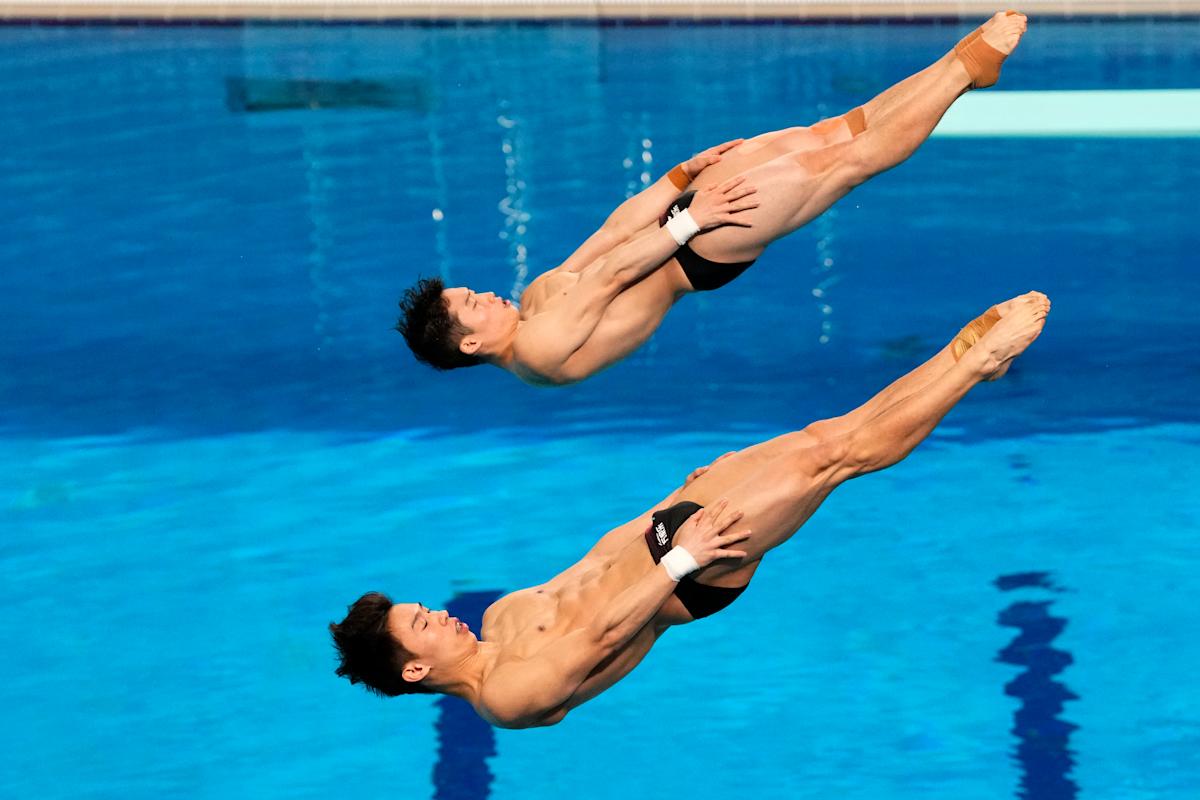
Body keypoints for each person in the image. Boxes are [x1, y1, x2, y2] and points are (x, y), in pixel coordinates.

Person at [332, 291, 1051, 728]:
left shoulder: (498, 622)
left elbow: (593, 564)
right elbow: (606, 632)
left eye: (425, 607)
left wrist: (672, 498)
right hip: (690, 575)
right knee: (838, 461)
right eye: (425, 624)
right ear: (417, 670)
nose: (442, 613)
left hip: (672, 528)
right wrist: (686, 554)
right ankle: (973, 365)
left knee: (821, 439)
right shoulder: (509, 697)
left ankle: (962, 361)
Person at [396, 12, 1029, 386]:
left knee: (837, 130)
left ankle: (956, 63)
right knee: (848, 164)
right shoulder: (536, 351)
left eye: (471, 290)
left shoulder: (535, 300)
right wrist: (694, 216)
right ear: (470, 344)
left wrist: (677, 178)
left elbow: (609, 238)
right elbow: (617, 272)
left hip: (683, 224)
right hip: (697, 248)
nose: (486, 294)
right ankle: (966, 68)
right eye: (474, 305)